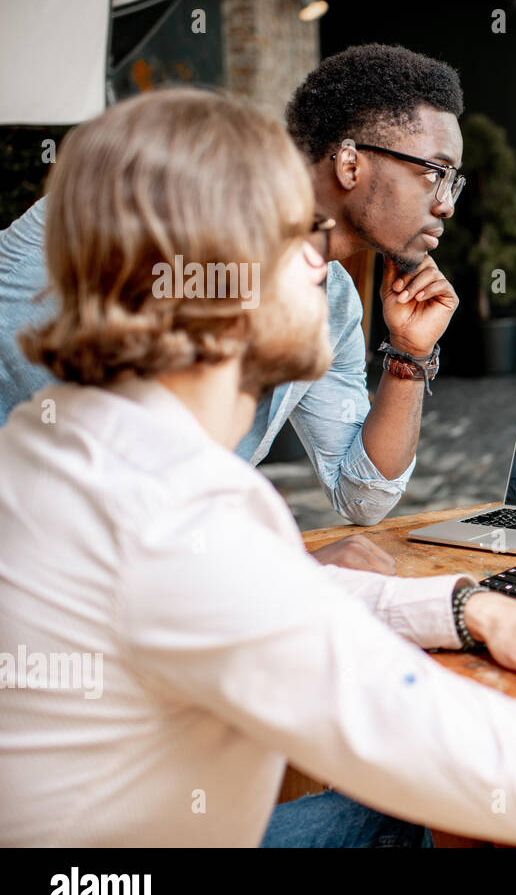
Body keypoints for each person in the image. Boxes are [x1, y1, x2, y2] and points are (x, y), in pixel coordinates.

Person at [0, 89, 516, 848]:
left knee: (412, 809)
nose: (323, 263)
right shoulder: (181, 511)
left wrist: (468, 606)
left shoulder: (62, 443)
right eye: (297, 237)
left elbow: (256, 589)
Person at [0, 44, 468, 573]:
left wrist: (408, 354)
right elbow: (129, 486)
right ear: (349, 161)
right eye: (434, 171)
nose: (446, 202)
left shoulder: (332, 301)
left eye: (453, 180)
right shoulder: (137, 226)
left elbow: (362, 499)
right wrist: (290, 565)